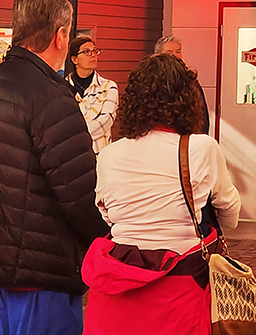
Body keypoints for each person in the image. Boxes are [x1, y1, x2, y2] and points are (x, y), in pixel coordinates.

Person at [0, 0, 109, 335]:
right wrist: (105, 238)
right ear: (60, 35)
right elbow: (78, 190)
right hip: (44, 268)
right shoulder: (51, 96)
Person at [81, 54, 240, 335]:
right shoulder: (201, 149)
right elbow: (230, 214)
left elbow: (106, 213)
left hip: (115, 292)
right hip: (181, 291)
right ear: (186, 100)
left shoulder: (109, 154)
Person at [66, 35, 119, 154]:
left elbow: (105, 121)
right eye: (87, 52)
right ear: (74, 59)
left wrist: (73, 137)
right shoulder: (63, 88)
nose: (93, 55)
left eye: (95, 51)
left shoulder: (108, 87)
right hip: (72, 156)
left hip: (99, 156)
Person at [155, 33, 210, 134]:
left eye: (178, 51)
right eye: (169, 52)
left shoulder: (190, 80)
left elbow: (202, 114)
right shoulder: (153, 81)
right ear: (158, 55)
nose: (175, 55)